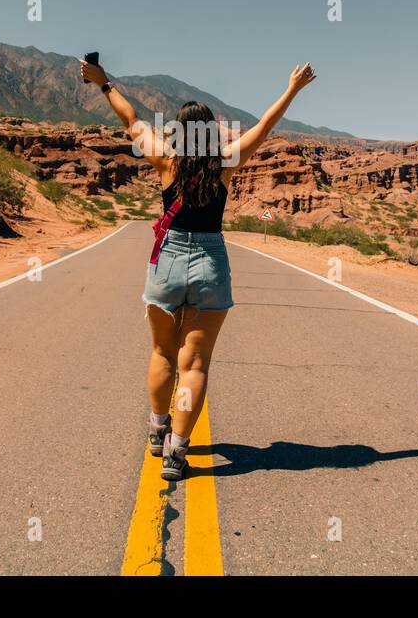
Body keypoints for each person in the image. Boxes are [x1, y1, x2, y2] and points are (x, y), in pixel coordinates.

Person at [79, 58, 318, 480]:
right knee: (195, 365)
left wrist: (103, 83)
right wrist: (293, 88)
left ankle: (157, 432)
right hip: (210, 262)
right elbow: (265, 125)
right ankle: (177, 453)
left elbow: (130, 117)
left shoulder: (165, 161)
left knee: (161, 353)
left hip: (167, 259)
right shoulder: (225, 163)